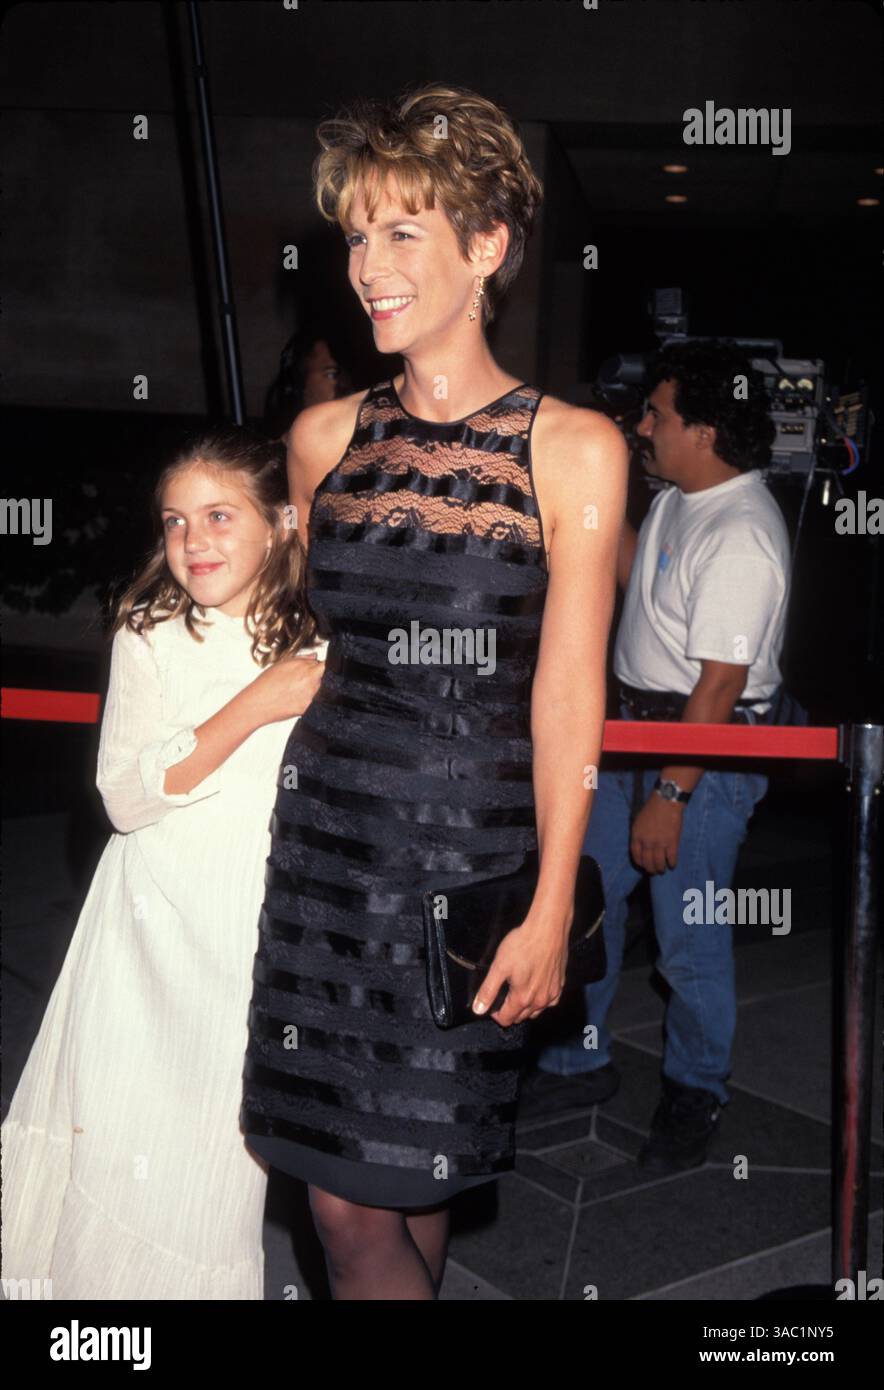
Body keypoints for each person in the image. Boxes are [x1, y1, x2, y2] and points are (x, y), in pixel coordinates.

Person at [239, 83, 627, 1301]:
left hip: (464, 866)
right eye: (356, 235)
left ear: (487, 247)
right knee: (355, 1189)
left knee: (388, 1191)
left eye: (401, 233)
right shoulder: (318, 441)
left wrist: (553, 899)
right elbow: (281, 640)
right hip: (324, 862)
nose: (366, 266)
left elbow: (568, 694)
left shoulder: (571, 449)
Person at [0, 427, 326, 1298]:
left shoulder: (323, 640)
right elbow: (125, 796)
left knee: (217, 1169)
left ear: (282, 523)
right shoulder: (149, 633)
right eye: (176, 522)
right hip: (150, 938)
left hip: (259, 933)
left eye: (220, 516)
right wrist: (260, 701)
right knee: (121, 1143)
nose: (193, 541)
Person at [536, 339, 791, 1174]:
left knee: (690, 935)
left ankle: (698, 1088)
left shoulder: (743, 532)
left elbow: (719, 685)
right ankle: (577, 1058)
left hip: (701, 753)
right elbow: (641, 573)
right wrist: (593, 503)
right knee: (592, 901)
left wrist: (671, 796)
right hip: (636, 735)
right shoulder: (690, 495)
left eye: (659, 416)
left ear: (706, 433)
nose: (644, 426)